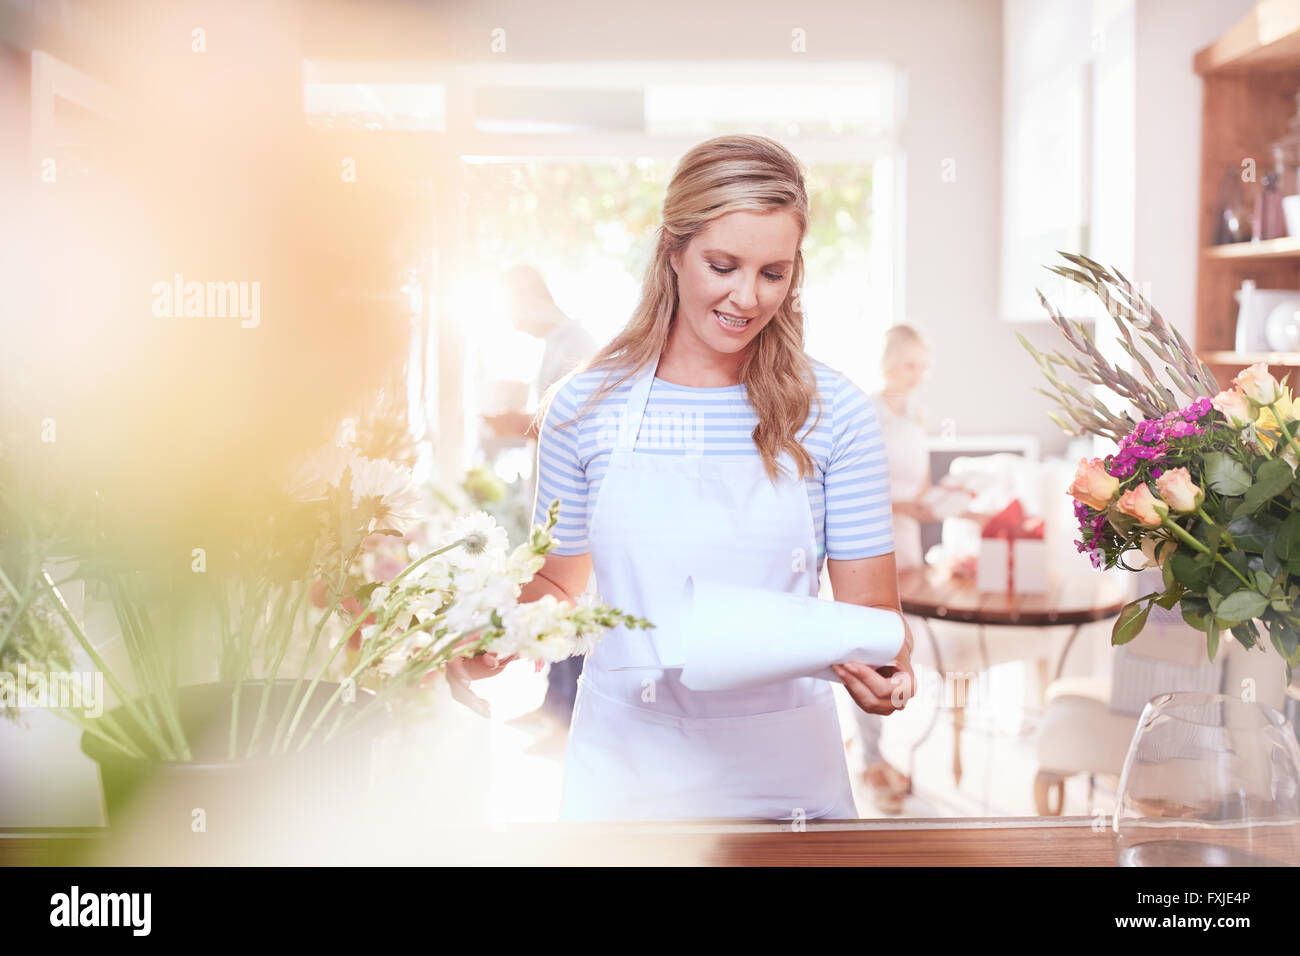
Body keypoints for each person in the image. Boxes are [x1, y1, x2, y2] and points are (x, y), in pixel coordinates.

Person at [458, 134, 915, 821]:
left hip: (785, 770)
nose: (746, 297)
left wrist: (884, 673)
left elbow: (876, 619)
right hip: (625, 767)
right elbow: (558, 581)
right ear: (672, 251)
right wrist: (495, 636)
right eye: (722, 265)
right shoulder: (584, 407)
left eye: (773, 272)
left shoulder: (836, 412)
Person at [481, 265, 598, 746]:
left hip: (574, 509)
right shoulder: (556, 345)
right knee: (555, 599)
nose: (510, 323)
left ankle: (566, 720)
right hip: (553, 502)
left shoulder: (577, 344)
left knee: (566, 600)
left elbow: (577, 425)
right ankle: (553, 707)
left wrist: (516, 423)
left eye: (509, 310)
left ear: (529, 298)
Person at [855, 324, 937, 813]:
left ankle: (876, 749)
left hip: (908, 548)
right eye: (910, 366)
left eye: (923, 368)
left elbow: (921, 488)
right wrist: (906, 508)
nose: (917, 377)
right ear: (888, 363)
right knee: (874, 649)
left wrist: (951, 503)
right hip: (870, 543)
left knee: (903, 652)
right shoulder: (868, 413)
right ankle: (869, 760)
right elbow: (856, 488)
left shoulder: (917, 418)